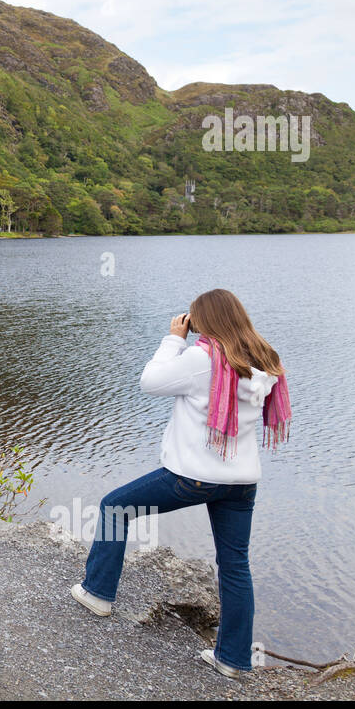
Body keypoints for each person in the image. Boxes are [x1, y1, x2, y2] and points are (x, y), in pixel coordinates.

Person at [70, 288, 292, 680]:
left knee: (114, 507)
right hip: (241, 483)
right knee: (235, 564)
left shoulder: (202, 357)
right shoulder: (264, 360)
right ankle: (233, 658)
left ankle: (98, 594)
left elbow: (150, 381)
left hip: (194, 476)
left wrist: (174, 338)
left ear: (201, 322)